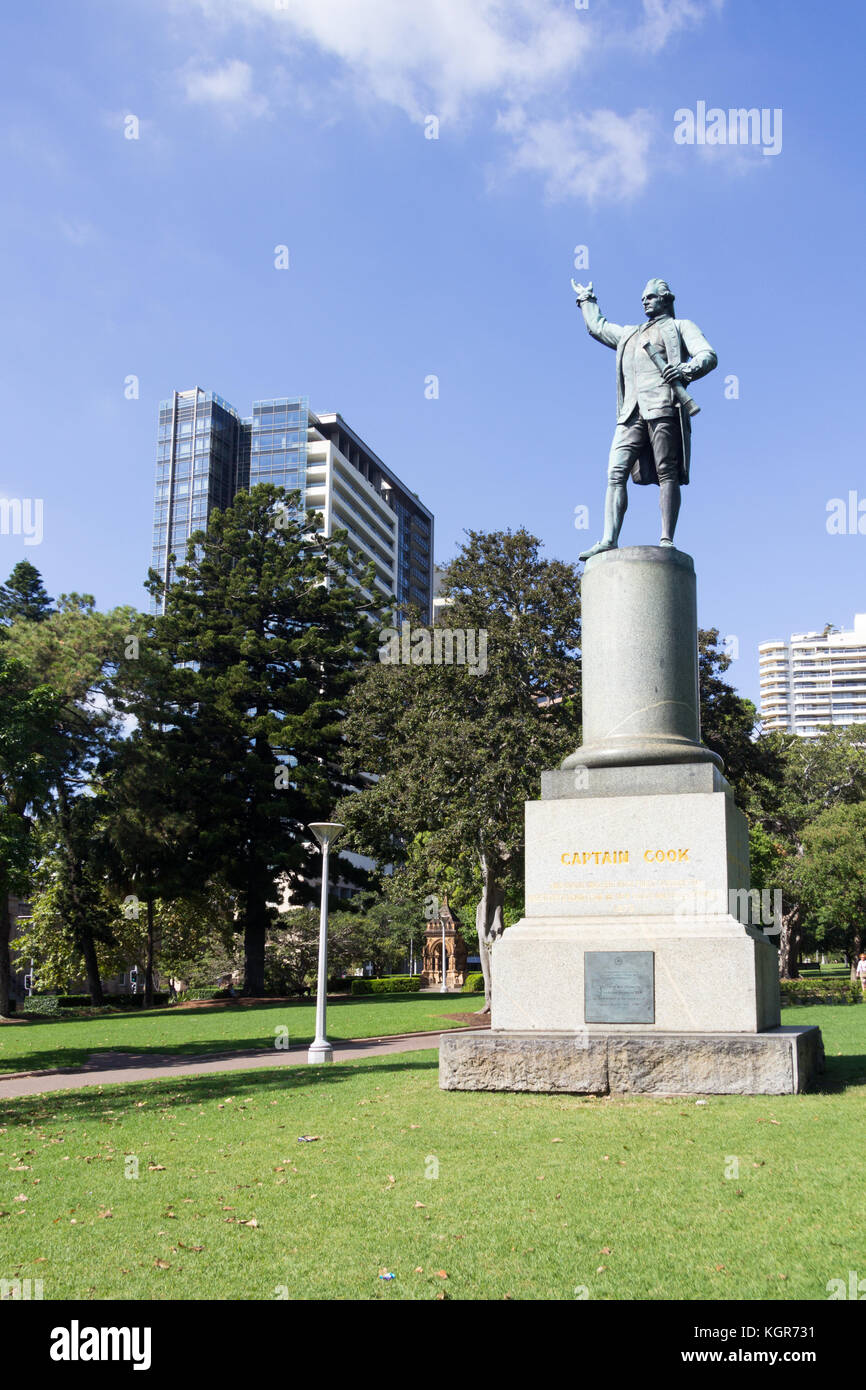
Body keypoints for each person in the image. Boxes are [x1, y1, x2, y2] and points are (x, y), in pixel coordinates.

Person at [571, 278, 717, 559]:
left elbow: (708, 356)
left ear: (667, 299)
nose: (645, 301)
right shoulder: (630, 334)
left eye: (650, 297)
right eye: (643, 298)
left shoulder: (680, 326)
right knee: (615, 472)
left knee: (667, 472)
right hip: (630, 414)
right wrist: (587, 300)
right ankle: (608, 539)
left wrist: (686, 370)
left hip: (663, 407)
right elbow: (598, 327)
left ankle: (666, 539)